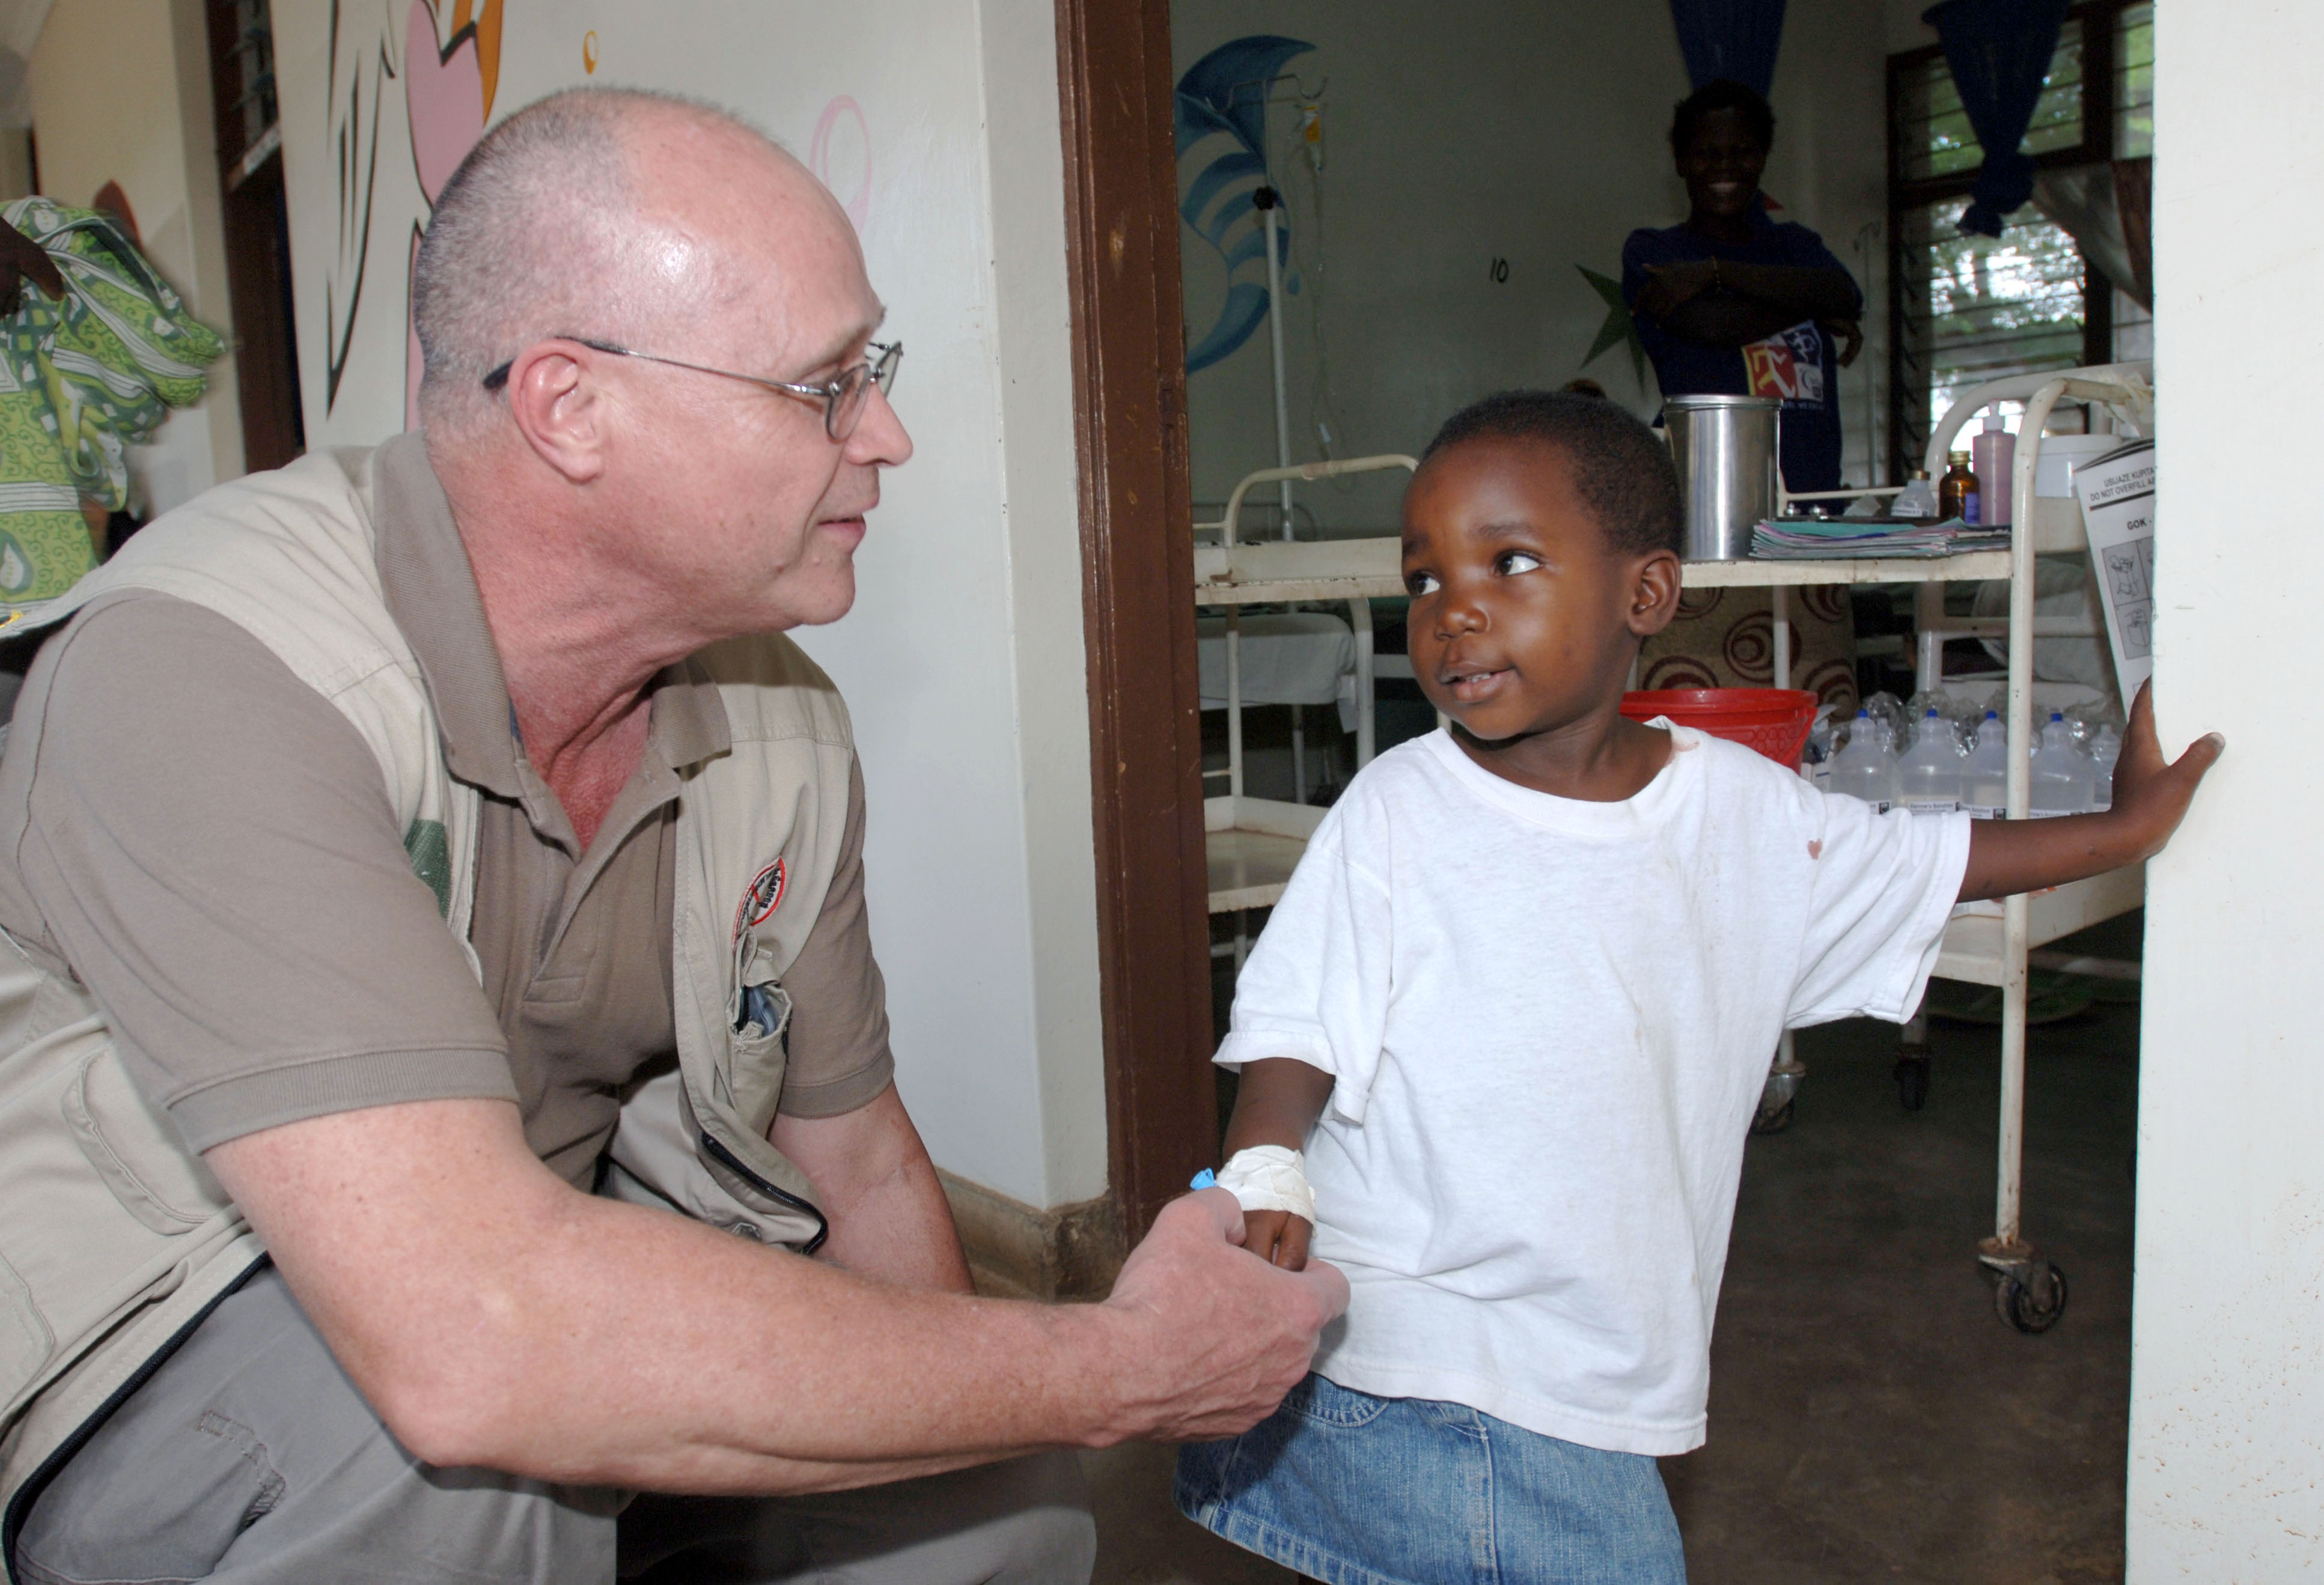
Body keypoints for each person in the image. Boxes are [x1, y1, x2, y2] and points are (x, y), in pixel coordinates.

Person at [0, 88, 1346, 1583]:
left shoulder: (776, 719)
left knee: (999, 1499)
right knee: (469, 1463)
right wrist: (1120, 1365)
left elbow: (868, 1172)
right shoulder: (206, 668)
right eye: (825, 384)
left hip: (507, 1283)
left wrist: (1007, 1414)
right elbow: (472, 1340)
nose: (887, 435)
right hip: (160, 1351)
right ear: (572, 406)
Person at [1173, 391, 2218, 1581]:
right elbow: (1298, 1028)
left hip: (1588, 1354)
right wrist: (1265, 1164)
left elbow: (1931, 860)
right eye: (1423, 579)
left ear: (1645, 594)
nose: (1454, 609)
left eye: (1508, 562)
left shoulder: (1740, 813)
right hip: (1412, 1347)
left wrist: (2122, 828)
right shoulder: (1398, 810)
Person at [1622, 78, 1865, 707]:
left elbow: (1847, 295)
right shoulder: (1655, 252)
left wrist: (1719, 276)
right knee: (1696, 741)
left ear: (1762, 157)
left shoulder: (1797, 246)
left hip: (1811, 532)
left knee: (1819, 741)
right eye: (1707, 153)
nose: (1724, 167)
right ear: (1681, 161)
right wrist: (1802, 300)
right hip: (1702, 537)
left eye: (1741, 153)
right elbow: (1712, 328)